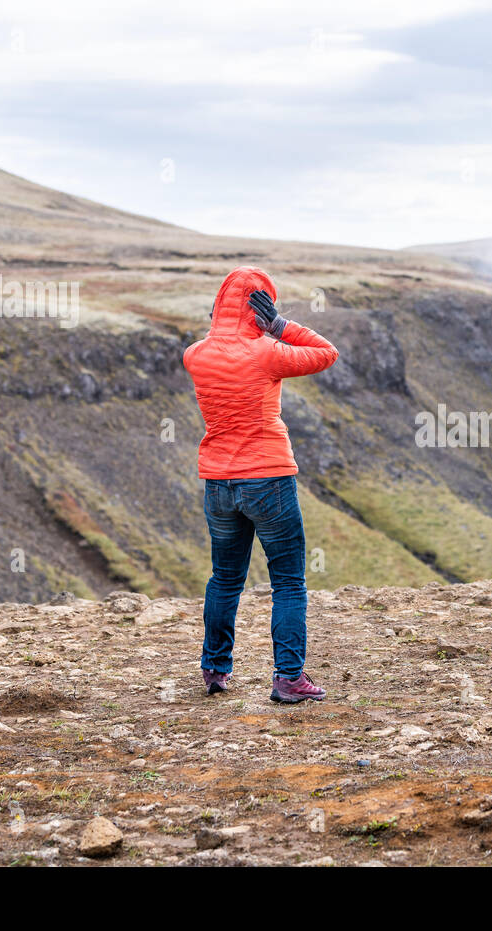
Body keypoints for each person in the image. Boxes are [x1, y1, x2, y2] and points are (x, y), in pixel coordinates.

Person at [182, 267, 339, 702]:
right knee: (288, 582)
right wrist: (280, 326)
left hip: (218, 480)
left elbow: (218, 339)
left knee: (224, 578)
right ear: (262, 304)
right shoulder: (268, 351)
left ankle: (215, 668)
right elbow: (326, 352)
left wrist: (223, 321)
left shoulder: (196, 354)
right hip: (268, 476)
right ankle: (289, 679)